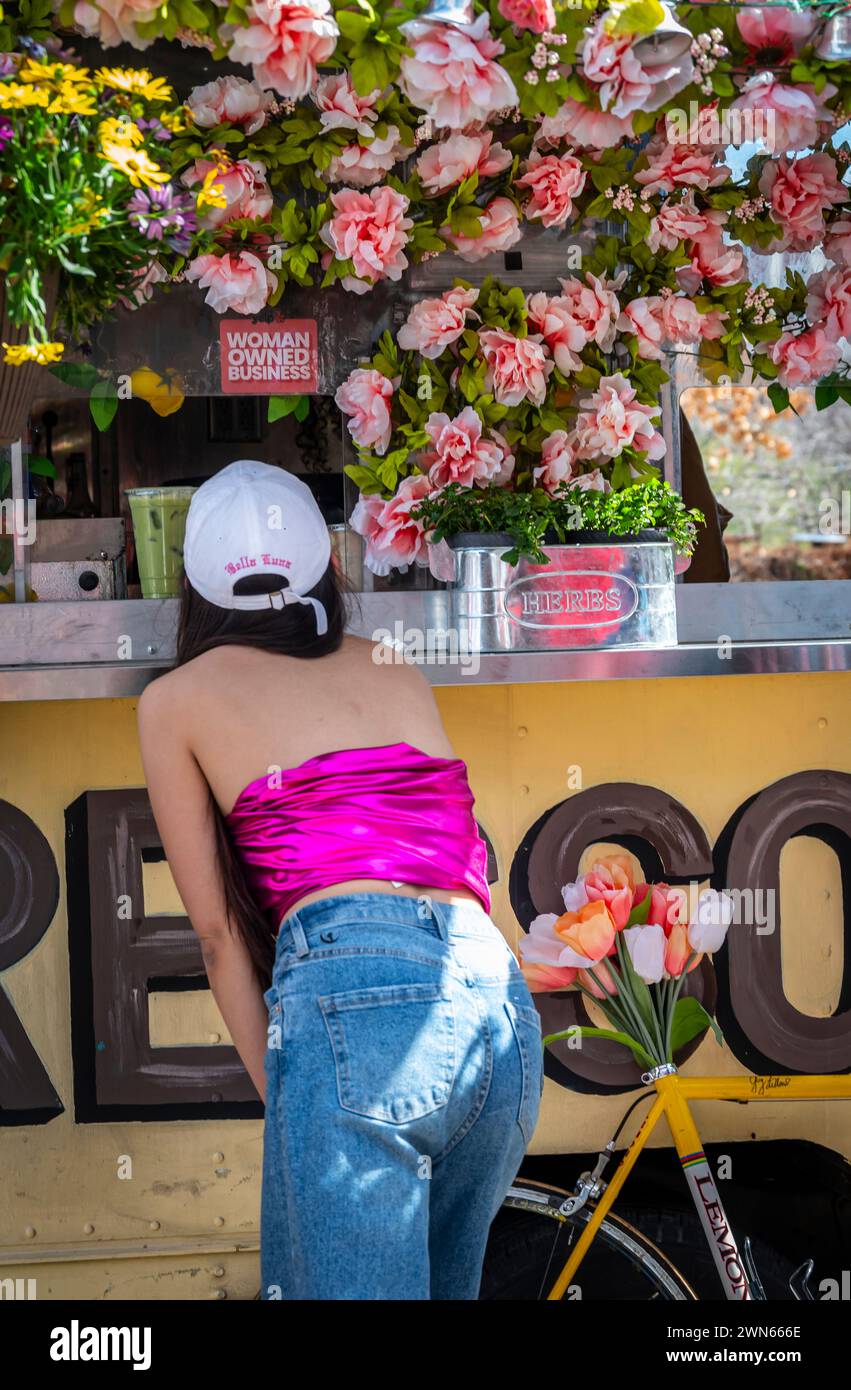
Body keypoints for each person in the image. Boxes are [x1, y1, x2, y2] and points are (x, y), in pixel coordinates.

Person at [136, 459, 544, 1302]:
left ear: (196, 588)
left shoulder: (174, 700)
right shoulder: (393, 660)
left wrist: (284, 1093)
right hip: (494, 1002)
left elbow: (216, 937)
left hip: (359, 1005)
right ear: (326, 564)